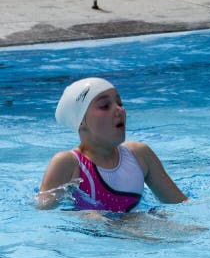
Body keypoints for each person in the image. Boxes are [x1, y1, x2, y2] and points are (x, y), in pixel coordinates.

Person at [38, 78, 188, 212]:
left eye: (120, 103)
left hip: (133, 229)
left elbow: (181, 204)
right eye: (104, 106)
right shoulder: (68, 163)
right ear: (81, 120)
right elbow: (42, 214)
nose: (119, 109)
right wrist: (82, 216)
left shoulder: (140, 155)